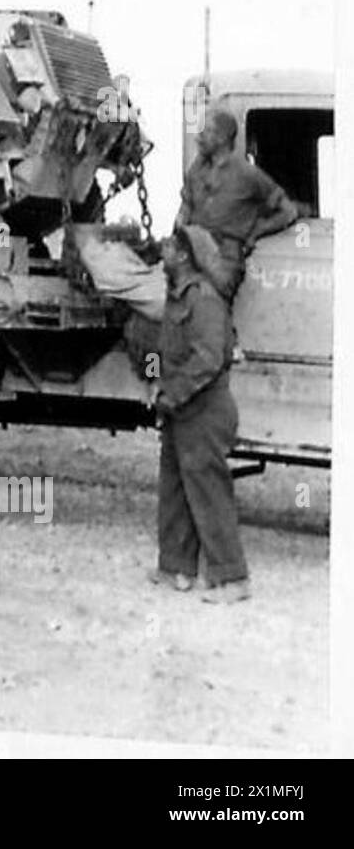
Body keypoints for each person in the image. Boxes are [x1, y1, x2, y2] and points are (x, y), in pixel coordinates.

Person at [150, 224, 249, 603]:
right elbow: (159, 350)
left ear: (186, 256)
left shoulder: (204, 299)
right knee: (174, 487)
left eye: (172, 246)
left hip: (204, 410)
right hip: (182, 407)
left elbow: (208, 359)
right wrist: (153, 383)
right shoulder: (176, 298)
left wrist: (170, 394)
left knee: (209, 494)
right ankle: (176, 569)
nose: (164, 250)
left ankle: (233, 579)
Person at [176, 108, 298, 300]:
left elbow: (288, 211)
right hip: (190, 253)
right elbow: (186, 205)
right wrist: (180, 225)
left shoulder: (247, 174)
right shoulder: (197, 168)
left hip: (223, 259)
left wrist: (257, 230)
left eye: (206, 131)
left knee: (203, 304)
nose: (199, 137)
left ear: (222, 138)